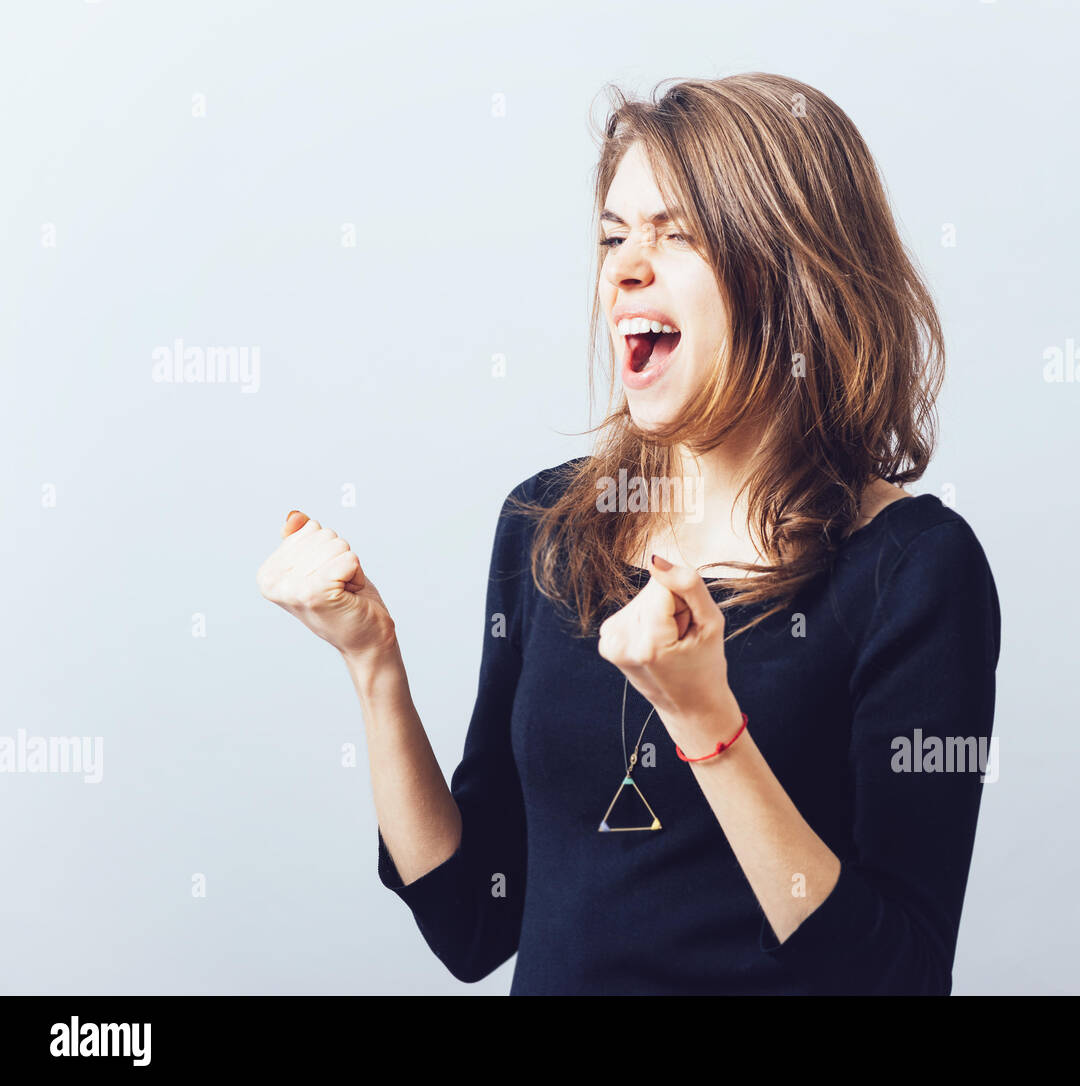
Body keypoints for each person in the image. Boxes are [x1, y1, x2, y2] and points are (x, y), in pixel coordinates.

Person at [256, 72, 1001, 995]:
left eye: (676, 233)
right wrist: (372, 663)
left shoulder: (916, 569)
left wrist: (706, 722)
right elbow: (474, 922)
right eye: (613, 236)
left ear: (795, 269)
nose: (623, 268)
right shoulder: (546, 528)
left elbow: (900, 979)